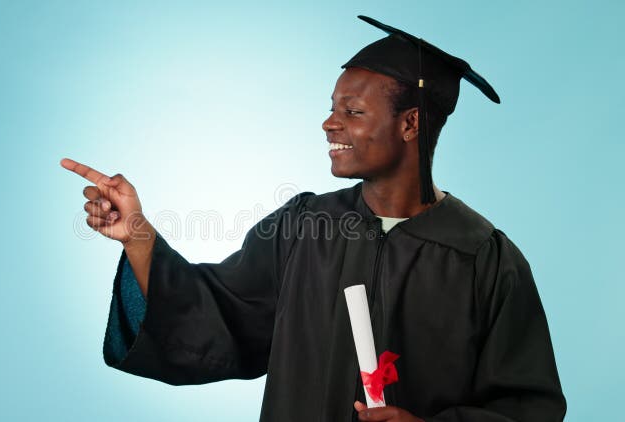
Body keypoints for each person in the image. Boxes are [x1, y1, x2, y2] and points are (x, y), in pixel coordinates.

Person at [61, 15, 566, 422]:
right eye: (332, 108)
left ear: (411, 123)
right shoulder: (304, 227)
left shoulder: (482, 257)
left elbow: (527, 407)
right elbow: (220, 314)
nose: (329, 123)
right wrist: (140, 239)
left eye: (353, 112)